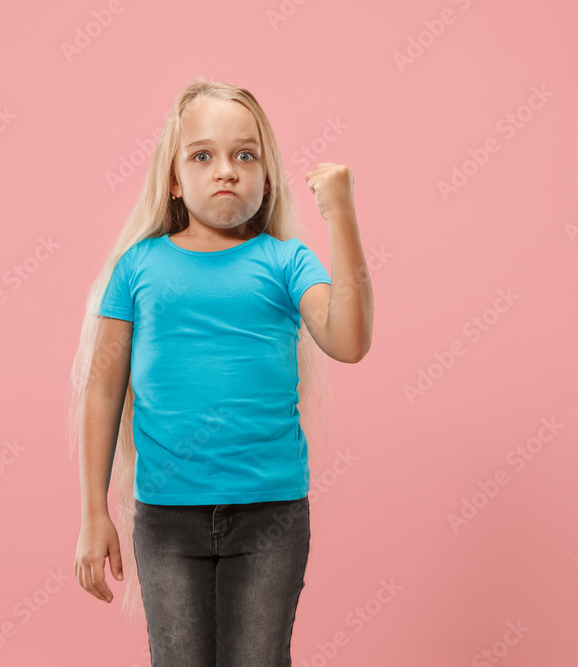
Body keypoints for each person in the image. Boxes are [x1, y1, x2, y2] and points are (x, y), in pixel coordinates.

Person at [69, 78, 373, 667]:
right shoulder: (139, 268)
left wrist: (341, 215)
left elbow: (350, 341)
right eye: (203, 156)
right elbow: (103, 388)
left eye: (245, 155)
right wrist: (92, 513)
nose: (227, 171)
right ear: (175, 179)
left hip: (271, 518)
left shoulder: (285, 262)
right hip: (165, 519)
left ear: (267, 174)